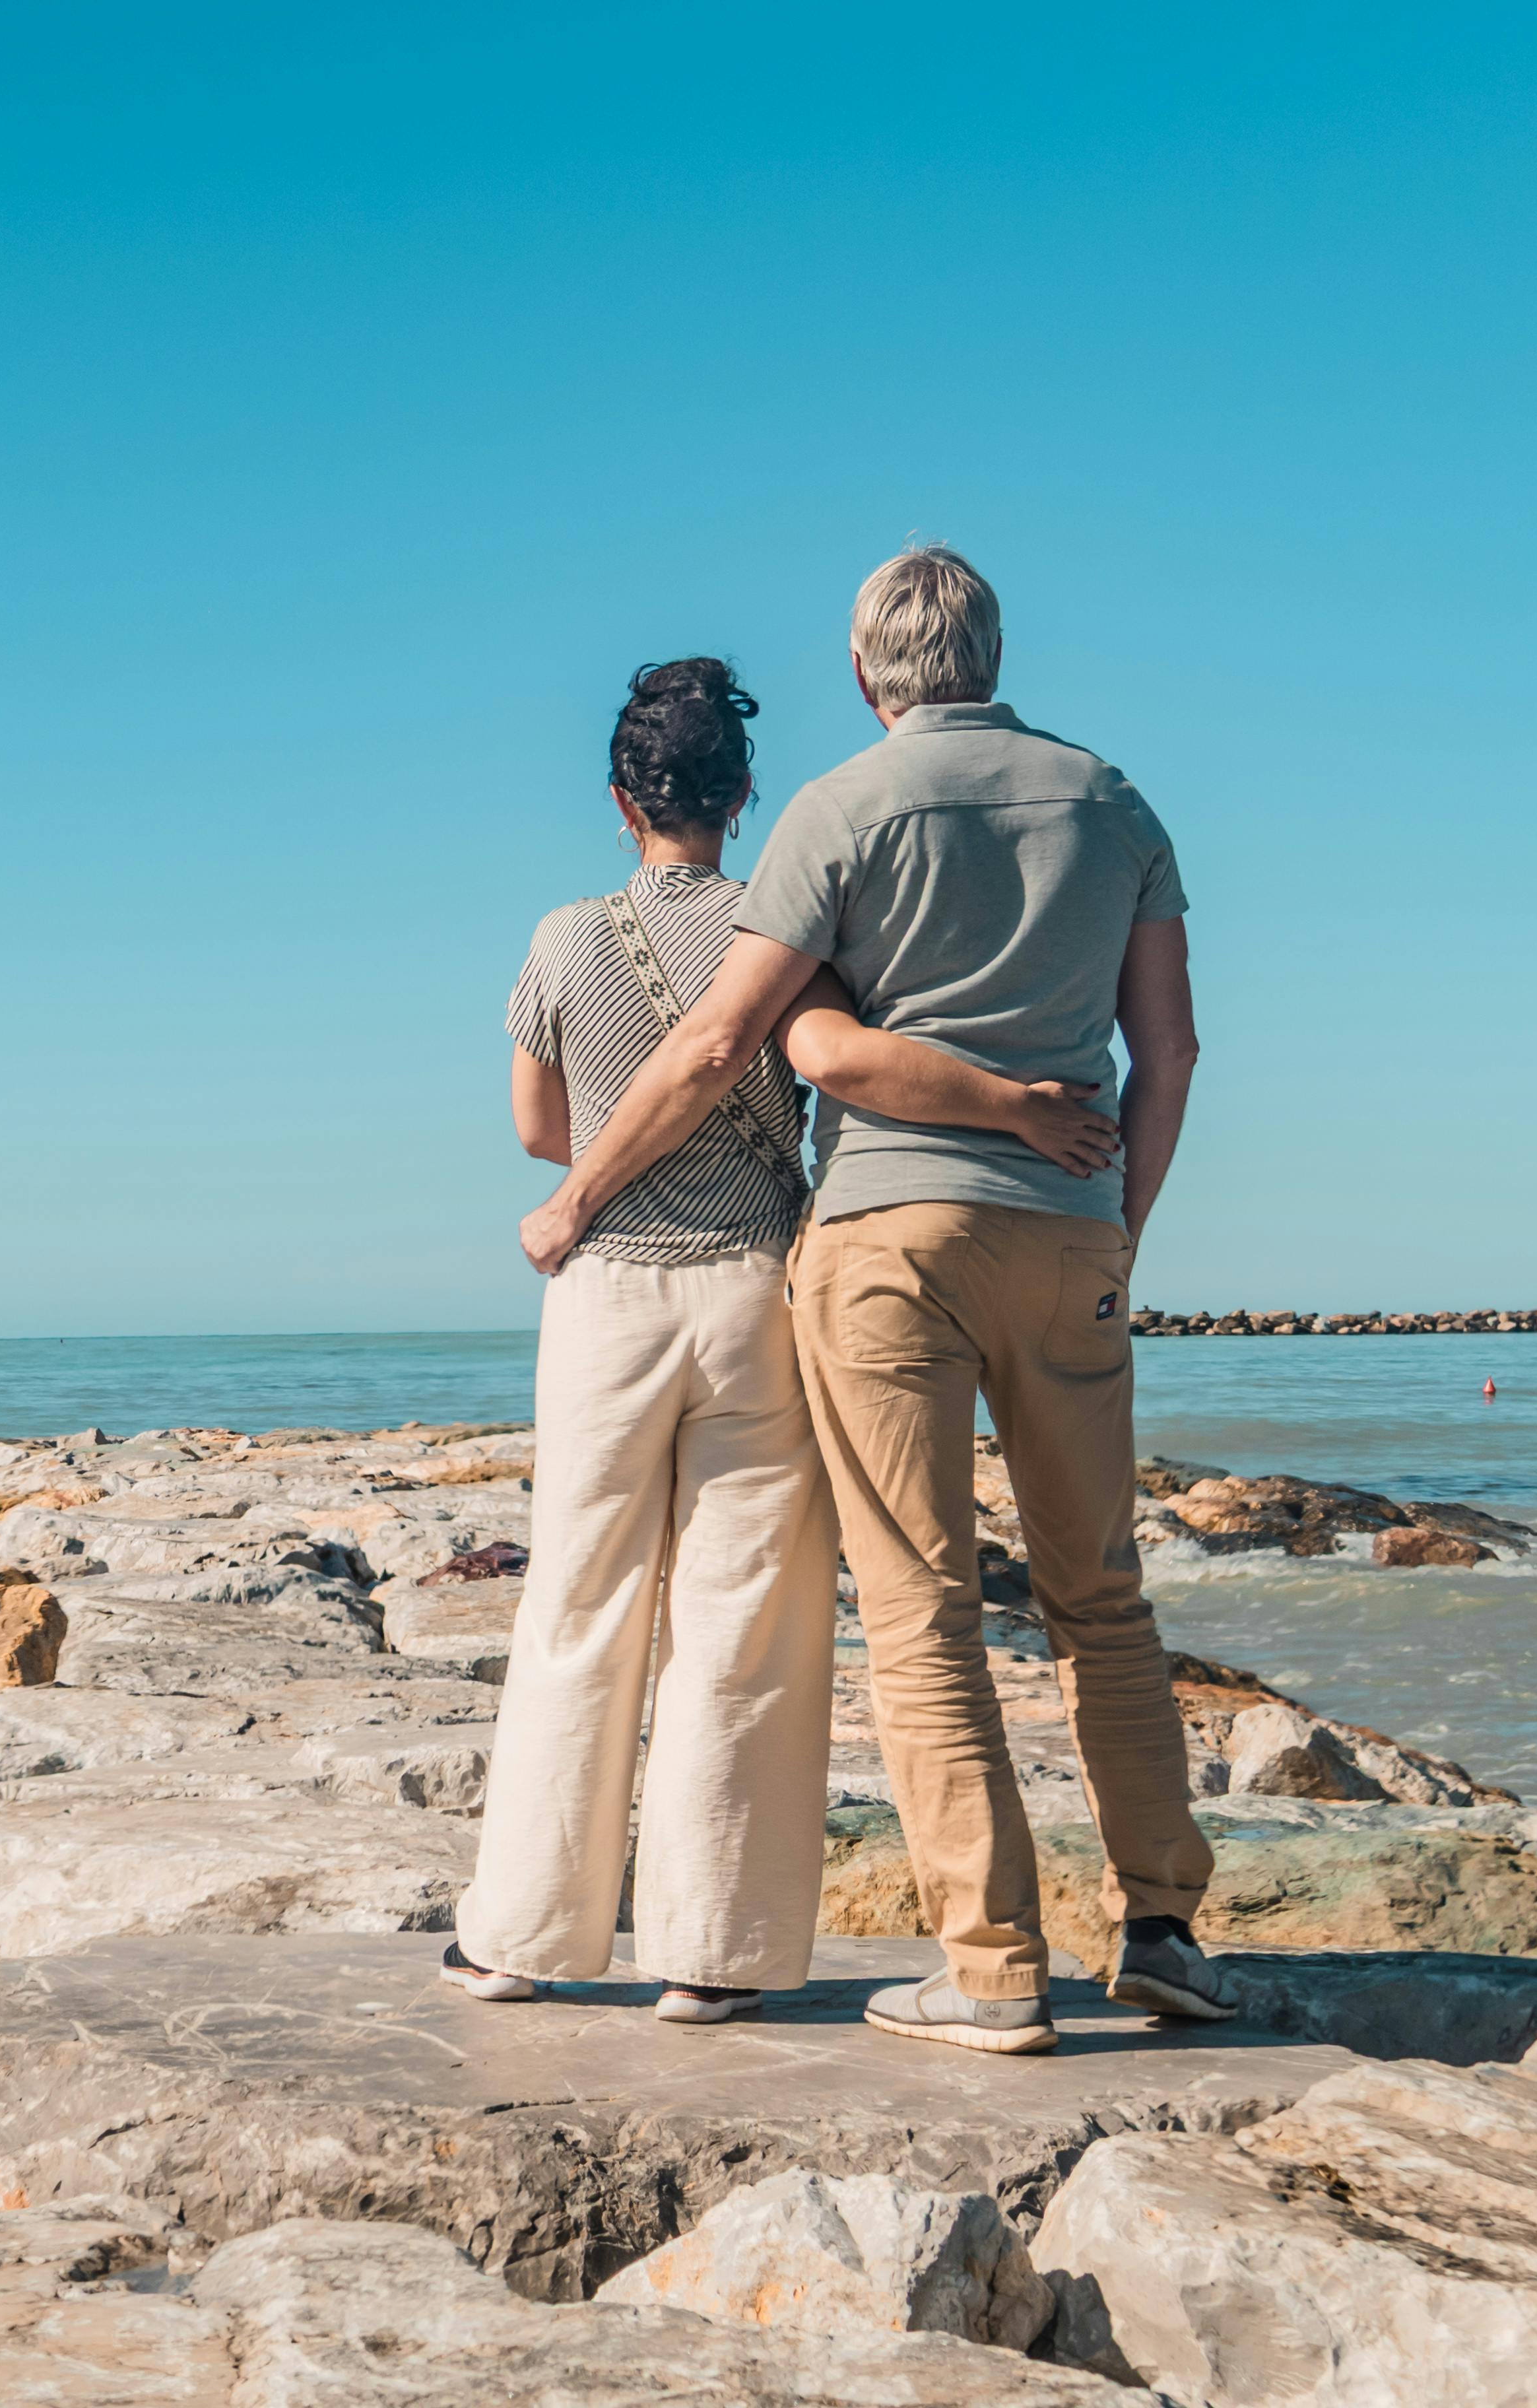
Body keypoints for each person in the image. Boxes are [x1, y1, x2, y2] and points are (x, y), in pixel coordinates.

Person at [513, 544, 1231, 2056]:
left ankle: (994, 1968)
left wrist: (578, 1199)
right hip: (1070, 1237)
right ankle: (1165, 1929)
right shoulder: (1114, 803)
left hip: (886, 1241)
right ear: (995, 652)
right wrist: (1122, 1227)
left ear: (863, 674)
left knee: (920, 1608)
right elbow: (1167, 1052)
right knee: (1103, 1596)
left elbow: (739, 1043)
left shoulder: (839, 813)